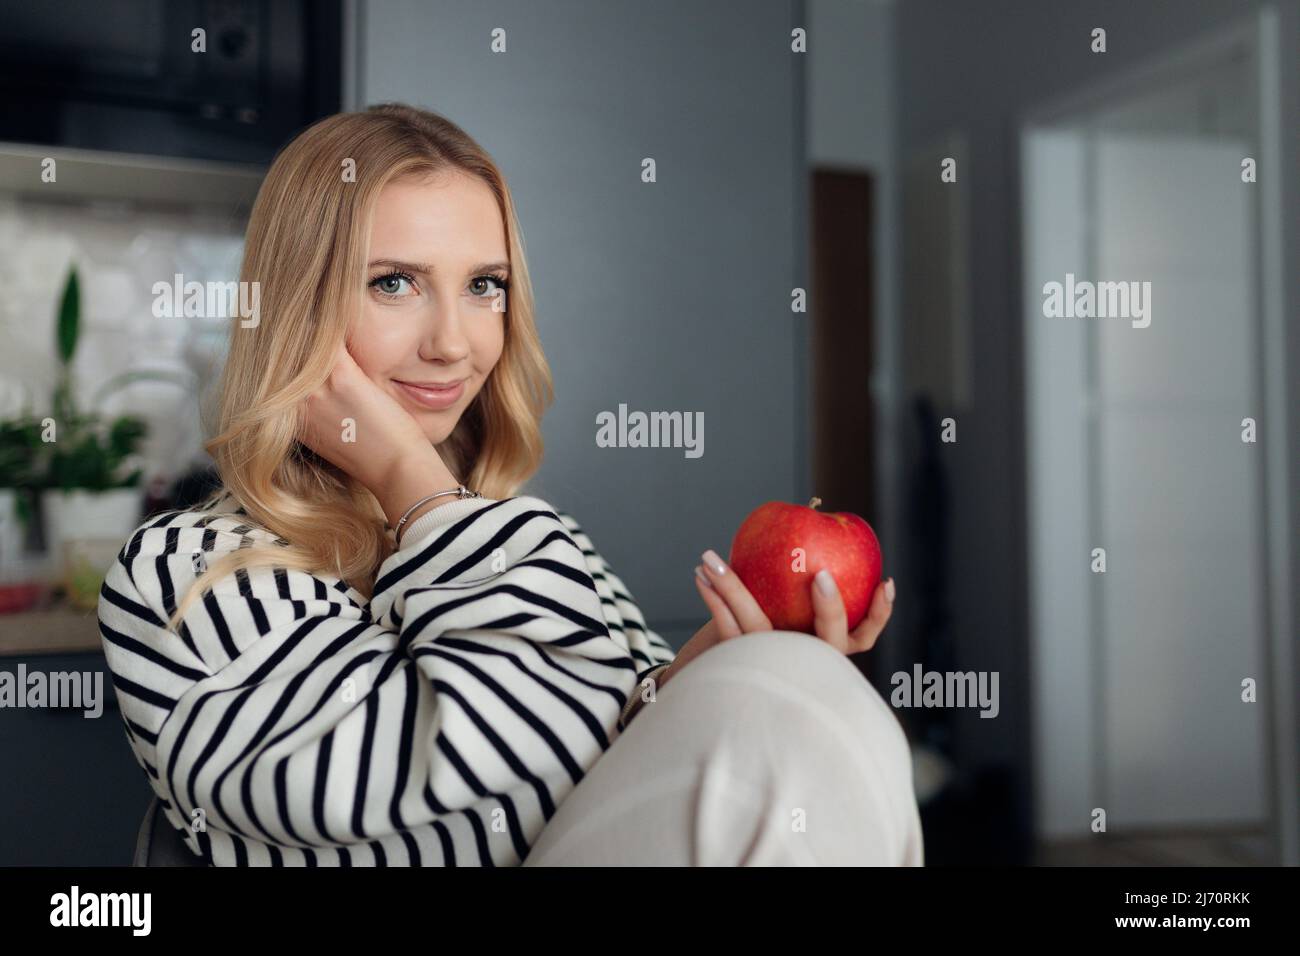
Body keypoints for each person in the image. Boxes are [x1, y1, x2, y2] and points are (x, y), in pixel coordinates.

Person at [97, 103, 923, 866]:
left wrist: (696, 689)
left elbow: (590, 771)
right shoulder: (186, 570)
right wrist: (402, 469)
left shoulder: (523, 533)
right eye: (394, 282)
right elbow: (467, 794)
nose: (454, 344)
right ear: (294, 308)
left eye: (483, 286)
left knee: (796, 688)